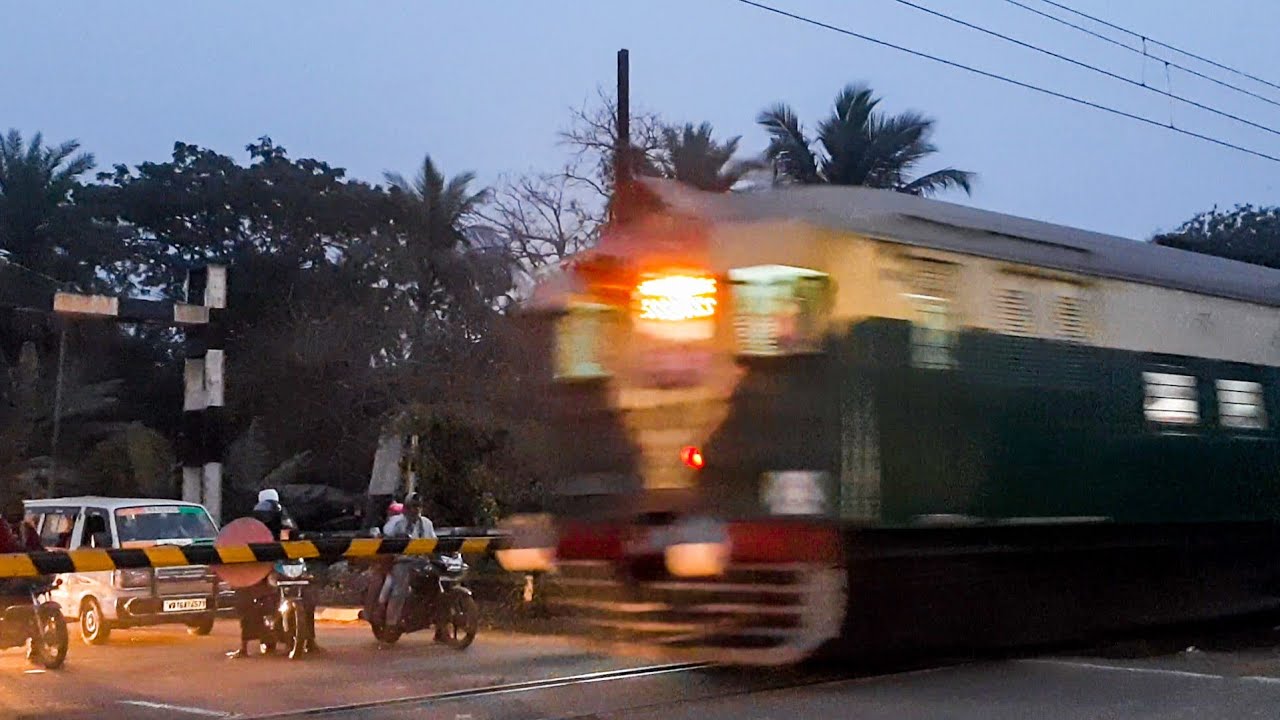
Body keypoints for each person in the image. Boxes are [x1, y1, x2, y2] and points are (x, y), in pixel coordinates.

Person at [379, 492, 436, 632]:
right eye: (412, 507)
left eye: (418, 507)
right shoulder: (396, 523)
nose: (415, 510)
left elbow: (434, 542)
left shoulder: (427, 524)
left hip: (421, 561)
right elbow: (385, 536)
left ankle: (440, 625)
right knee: (400, 588)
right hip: (402, 561)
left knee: (437, 580)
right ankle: (391, 622)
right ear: (405, 508)